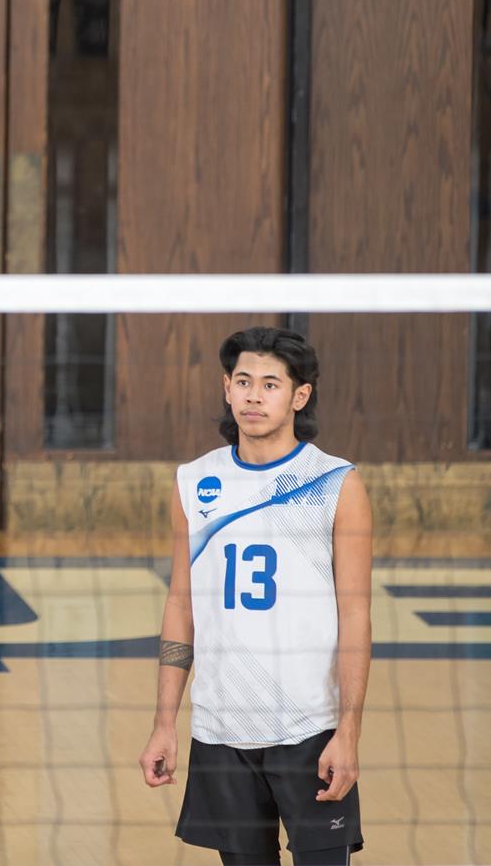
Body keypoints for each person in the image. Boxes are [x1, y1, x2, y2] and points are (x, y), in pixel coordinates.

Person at [139, 327, 373, 866]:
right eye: (243, 381)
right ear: (226, 388)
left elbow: (356, 615)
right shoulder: (195, 482)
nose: (253, 395)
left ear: (299, 396)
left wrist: (349, 733)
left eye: (270, 384)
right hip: (221, 730)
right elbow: (181, 605)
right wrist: (164, 724)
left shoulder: (336, 483)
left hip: (309, 728)